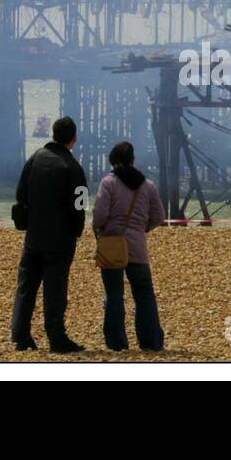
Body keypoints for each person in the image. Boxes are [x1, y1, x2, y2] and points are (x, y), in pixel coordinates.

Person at [10, 116, 89, 354]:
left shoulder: (34, 159)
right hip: (60, 240)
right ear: (73, 139)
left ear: (53, 134)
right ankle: (57, 338)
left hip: (34, 237)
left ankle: (20, 335)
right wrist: (77, 230)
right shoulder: (73, 167)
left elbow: (20, 194)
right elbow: (80, 204)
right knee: (55, 290)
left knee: (26, 286)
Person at [91, 141, 167, 351]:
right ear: (133, 160)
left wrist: (101, 228)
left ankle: (117, 342)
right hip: (138, 247)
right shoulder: (148, 185)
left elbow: (99, 215)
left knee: (114, 294)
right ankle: (150, 341)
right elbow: (159, 216)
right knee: (144, 294)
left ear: (113, 161)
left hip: (112, 245)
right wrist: (142, 229)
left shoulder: (109, 183)